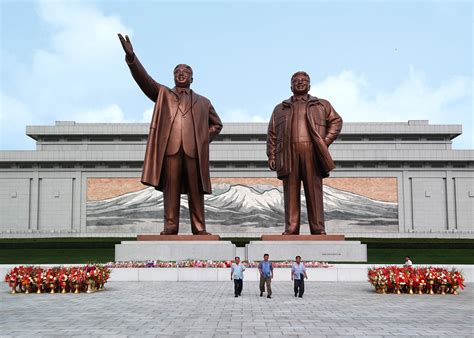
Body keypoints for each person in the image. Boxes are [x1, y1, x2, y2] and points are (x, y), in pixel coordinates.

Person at [118, 34, 223, 235]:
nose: (181, 74)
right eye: (177, 71)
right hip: (171, 150)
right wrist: (132, 58)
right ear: (173, 76)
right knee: (171, 190)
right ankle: (170, 226)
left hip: (194, 152)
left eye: (186, 72)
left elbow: (217, 125)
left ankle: (199, 228)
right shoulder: (163, 94)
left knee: (196, 190)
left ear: (192, 78)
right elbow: (145, 80)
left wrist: (202, 139)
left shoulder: (203, 102)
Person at [267, 71, 343, 235]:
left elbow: (336, 121)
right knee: (290, 192)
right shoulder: (280, 108)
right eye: (296, 80)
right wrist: (272, 156)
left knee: (314, 191)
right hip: (288, 154)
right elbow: (272, 134)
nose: (300, 83)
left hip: (312, 153)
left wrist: (325, 141)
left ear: (309, 85)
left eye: (304, 80)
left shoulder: (321, 104)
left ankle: (318, 228)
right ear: (291, 85)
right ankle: (291, 227)